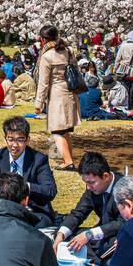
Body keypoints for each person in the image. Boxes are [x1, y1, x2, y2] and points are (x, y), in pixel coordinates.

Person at [0, 116, 57, 228]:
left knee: (41, 222)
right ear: (5, 139)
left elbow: (50, 191)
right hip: (1, 209)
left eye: (20, 140)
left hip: (30, 210)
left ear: (27, 140)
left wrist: (23, 186)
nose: (15, 145)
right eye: (11, 139)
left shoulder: (39, 159)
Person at [52, 151, 123, 257]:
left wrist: (89, 234)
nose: (88, 187)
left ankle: (94, 257)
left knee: (110, 245)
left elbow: (122, 223)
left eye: (91, 182)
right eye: (86, 183)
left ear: (106, 176)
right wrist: (60, 235)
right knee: (62, 232)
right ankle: (91, 255)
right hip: (100, 234)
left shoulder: (124, 189)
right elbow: (78, 213)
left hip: (118, 235)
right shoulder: (92, 190)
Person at [33, 24, 80, 170]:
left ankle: (68, 162)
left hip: (57, 94)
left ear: (43, 39)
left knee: (57, 131)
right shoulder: (67, 50)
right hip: (70, 92)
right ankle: (68, 159)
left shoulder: (47, 56)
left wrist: (38, 103)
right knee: (64, 130)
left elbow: (43, 82)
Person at [112, 30, 133, 109]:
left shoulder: (123, 46)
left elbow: (118, 59)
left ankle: (125, 103)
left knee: (125, 87)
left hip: (124, 70)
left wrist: (115, 69)